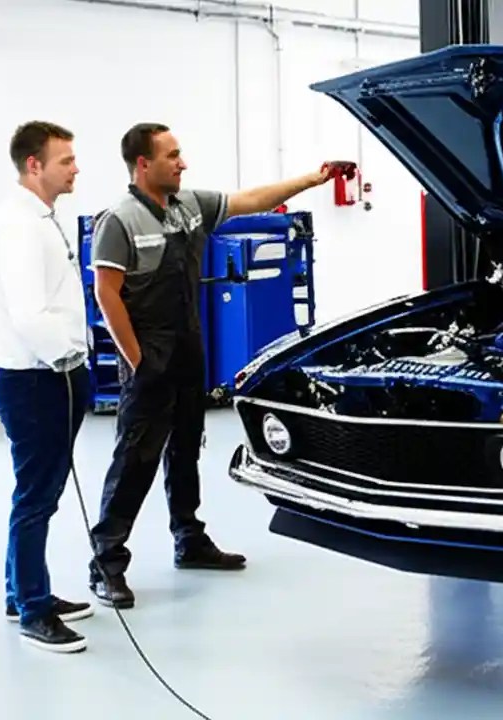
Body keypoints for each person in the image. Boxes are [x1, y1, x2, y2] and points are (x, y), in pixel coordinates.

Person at [86, 122, 350, 608]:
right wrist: (137, 360)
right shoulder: (119, 221)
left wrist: (311, 181)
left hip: (188, 348)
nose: (182, 163)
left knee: (187, 449)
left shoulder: (189, 205)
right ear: (143, 164)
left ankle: (189, 540)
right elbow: (106, 293)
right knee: (135, 460)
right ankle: (106, 562)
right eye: (172, 156)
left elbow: (251, 200)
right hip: (147, 356)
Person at [0, 120, 93, 653]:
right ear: (35, 165)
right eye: (66, 160)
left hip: (45, 373)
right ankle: (33, 608)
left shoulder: (38, 218)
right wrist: (69, 357)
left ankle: (21, 592)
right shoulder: (21, 226)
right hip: (39, 378)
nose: (76, 168)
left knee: (38, 492)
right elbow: (29, 313)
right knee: (37, 495)